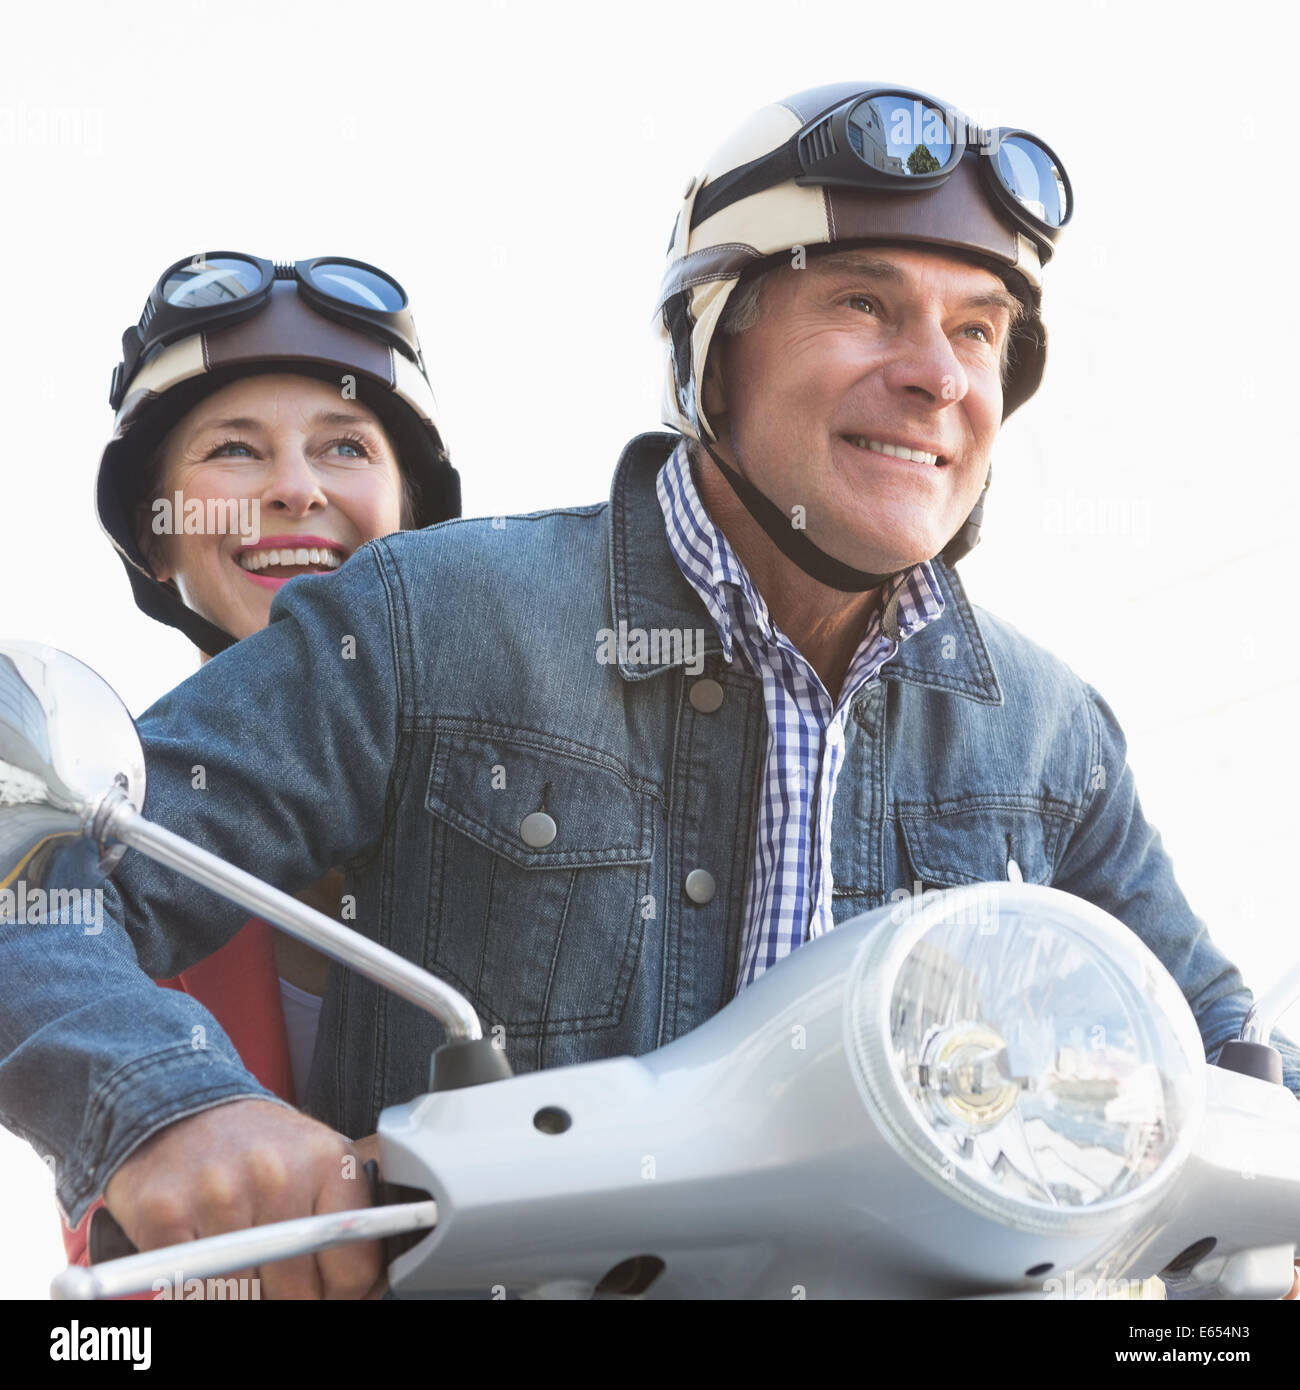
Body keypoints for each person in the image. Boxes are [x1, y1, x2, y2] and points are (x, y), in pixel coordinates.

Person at [3, 86, 1297, 1301]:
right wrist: (168, 1102)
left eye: (977, 331)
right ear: (712, 349)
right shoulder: (423, 618)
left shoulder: (1052, 734)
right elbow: (44, 884)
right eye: (865, 303)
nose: (939, 375)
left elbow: (1231, 1063)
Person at [56, 252, 461, 1290]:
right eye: (235, 451)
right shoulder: (85, 838)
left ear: (413, 521)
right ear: (157, 537)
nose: (294, 487)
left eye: (344, 447)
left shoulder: (557, 765)